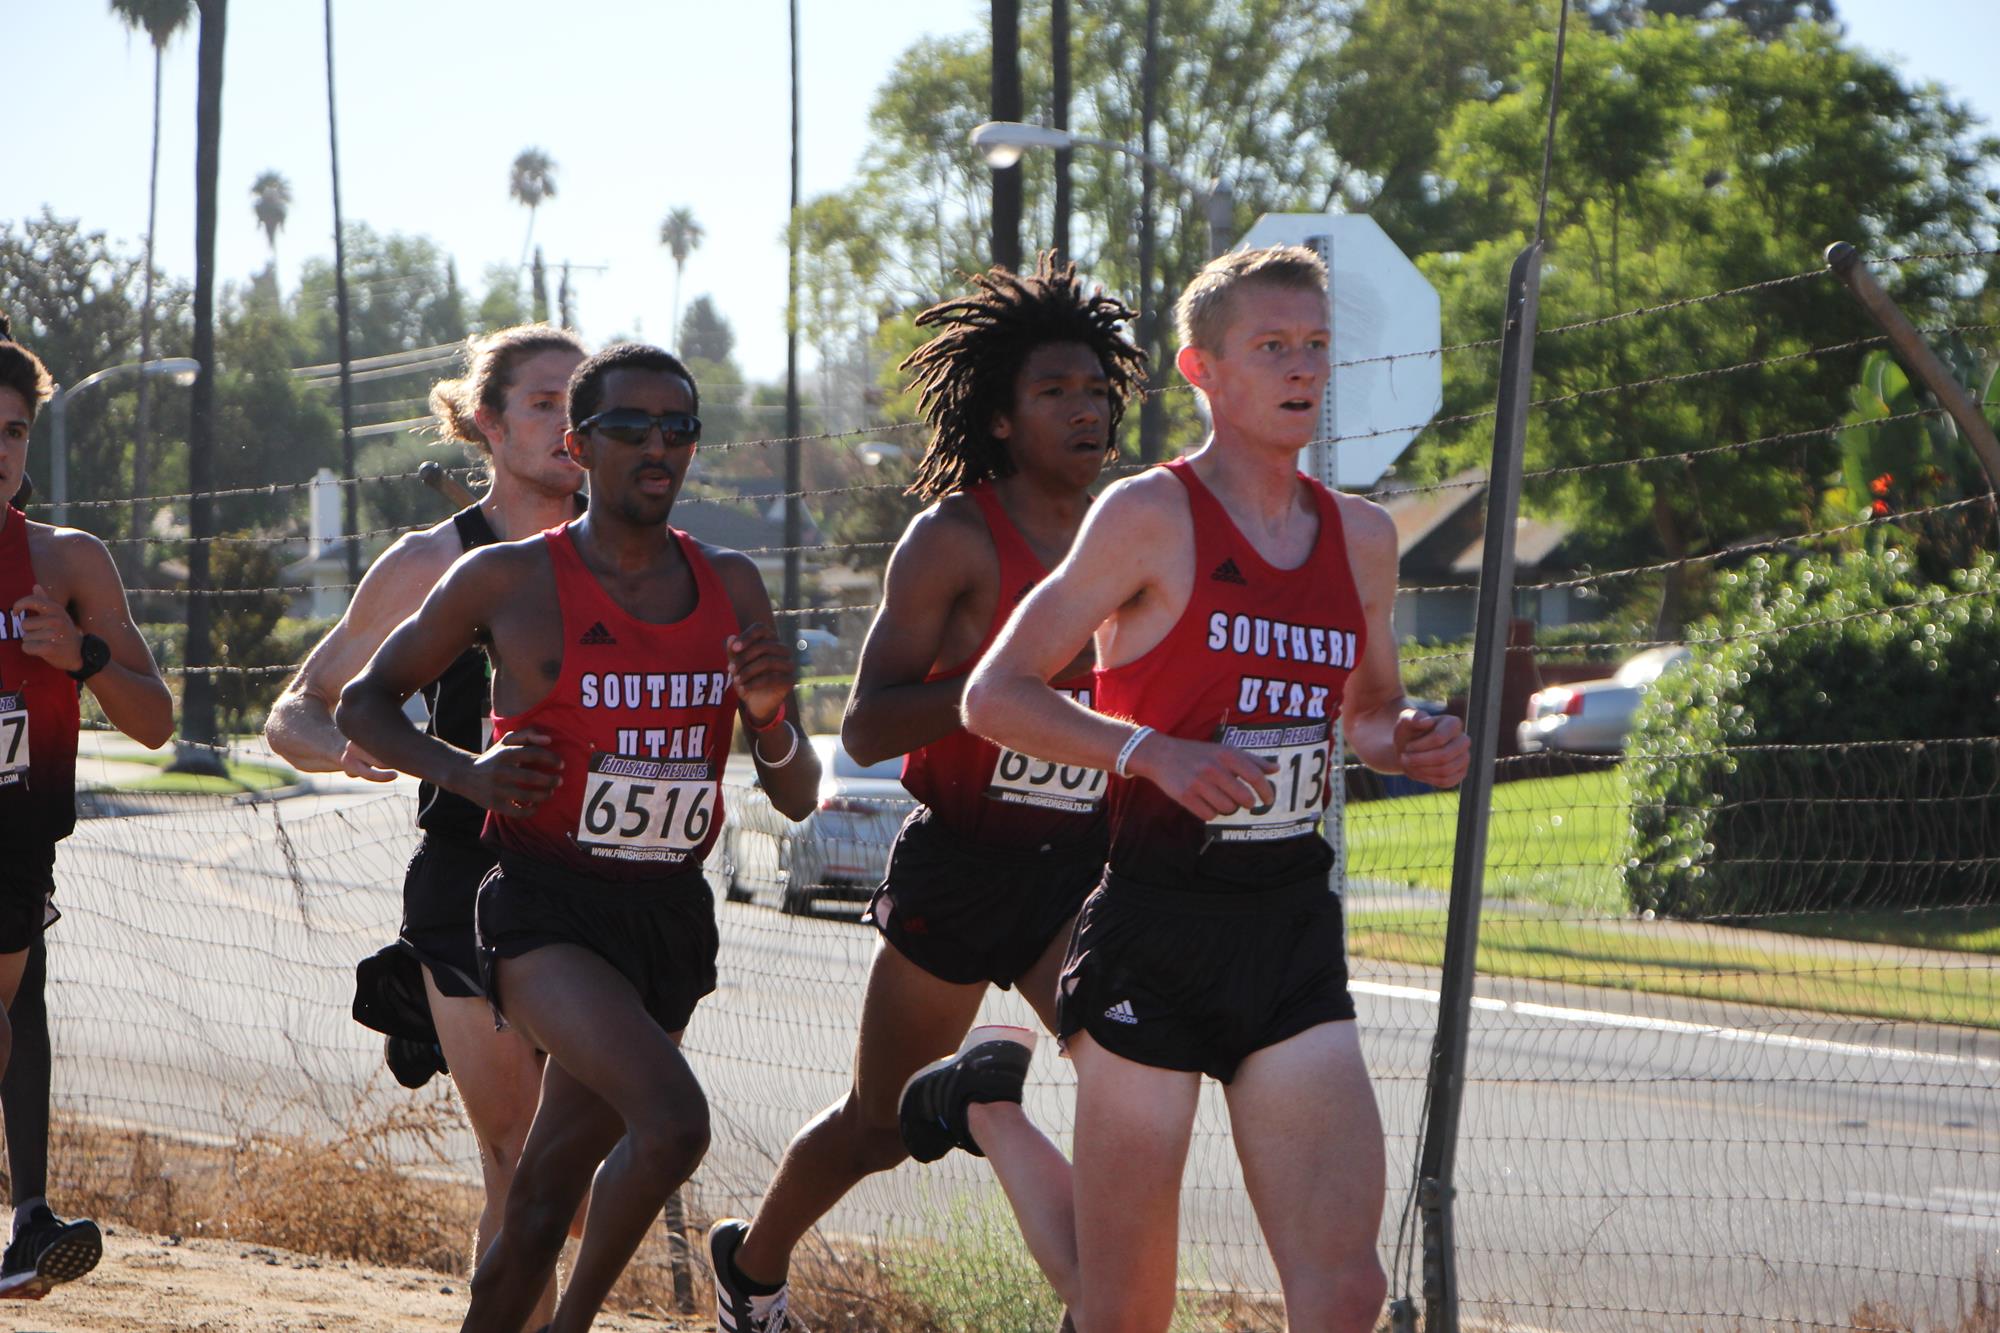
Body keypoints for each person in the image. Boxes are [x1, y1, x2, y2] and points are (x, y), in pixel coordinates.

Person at [963, 245, 1472, 1333]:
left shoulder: (1362, 538)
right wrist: (1148, 750)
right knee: (1124, 1311)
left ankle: (986, 1109)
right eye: (1271, 347)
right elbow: (992, 693)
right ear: (1202, 369)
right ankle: (986, 1111)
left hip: (1286, 928)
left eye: (1316, 347)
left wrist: (1409, 737)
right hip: (1156, 922)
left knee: (1344, 1294)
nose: (1300, 369)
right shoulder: (1149, 515)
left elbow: (1366, 711)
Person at [336, 343, 821, 1333]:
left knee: (537, 1208)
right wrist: (464, 771)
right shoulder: (506, 579)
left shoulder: (730, 582)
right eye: (631, 427)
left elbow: (801, 792)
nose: (657, 446)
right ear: (577, 444)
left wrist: (768, 717)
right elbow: (361, 703)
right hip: (547, 910)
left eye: (677, 428)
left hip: (669, 916)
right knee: (674, 1120)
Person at [709, 255, 1146, 1333]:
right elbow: (864, 723)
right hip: (958, 861)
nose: (1083, 409)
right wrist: (1001, 697)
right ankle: (751, 1272)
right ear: (1000, 419)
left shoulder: (1136, 536)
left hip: (1077, 874)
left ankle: (1099, 1304)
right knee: (878, 1124)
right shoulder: (953, 540)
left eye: (1096, 390)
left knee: (1133, 1092)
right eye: (1054, 392)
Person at [264, 324, 588, 1325]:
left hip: (605, 887)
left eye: (584, 402)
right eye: (543, 403)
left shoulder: (636, 558)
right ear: (488, 423)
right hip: (470, 886)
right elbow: (298, 708)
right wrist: (353, 745)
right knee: (517, 1162)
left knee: (570, 1184)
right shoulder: (433, 561)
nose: (568, 424)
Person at [0, 328, 175, 1298]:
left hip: (19, 849)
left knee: (19, 1007)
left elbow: (156, 724)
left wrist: (83, 657)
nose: (1, 449)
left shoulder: (67, 561)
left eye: (15, 430)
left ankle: (27, 1220)